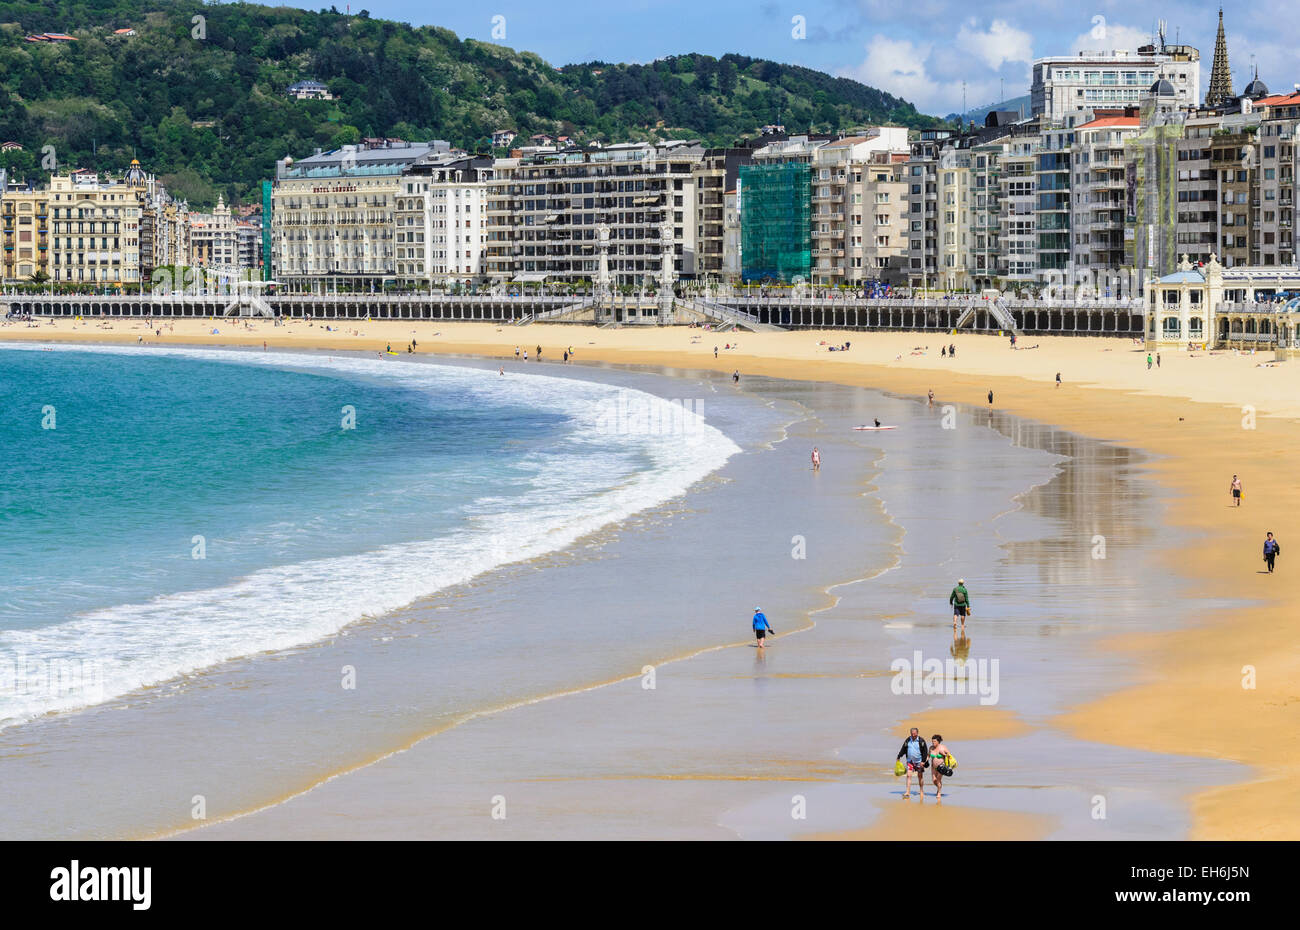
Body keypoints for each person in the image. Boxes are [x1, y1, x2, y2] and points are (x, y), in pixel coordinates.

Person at [896, 727, 929, 800]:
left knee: (920, 776)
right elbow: (903, 749)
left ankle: (921, 791)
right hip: (910, 761)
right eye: (912, 734)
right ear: (910, 733)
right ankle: (907, 792)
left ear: (917, 733)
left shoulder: (921, 741)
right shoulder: (908, 740)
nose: (913, 735)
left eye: (915, 734)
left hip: (919, 762)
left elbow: (925, 752)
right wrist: (899, 756)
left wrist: (923, 761)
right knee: (908, 775)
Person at [930, 734, 952, 799]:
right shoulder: (931, 748)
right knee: (934, 780)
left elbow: (949, 755)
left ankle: (939, 793)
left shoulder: (943, 747)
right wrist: (925, 761)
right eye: (932, 741)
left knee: (938, 780)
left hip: (941, 766)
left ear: (938, 741)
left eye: (934, 741)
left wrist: (944, 754)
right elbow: (928, 755)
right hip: (933, 767)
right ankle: (939, 788)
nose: (933, 743)